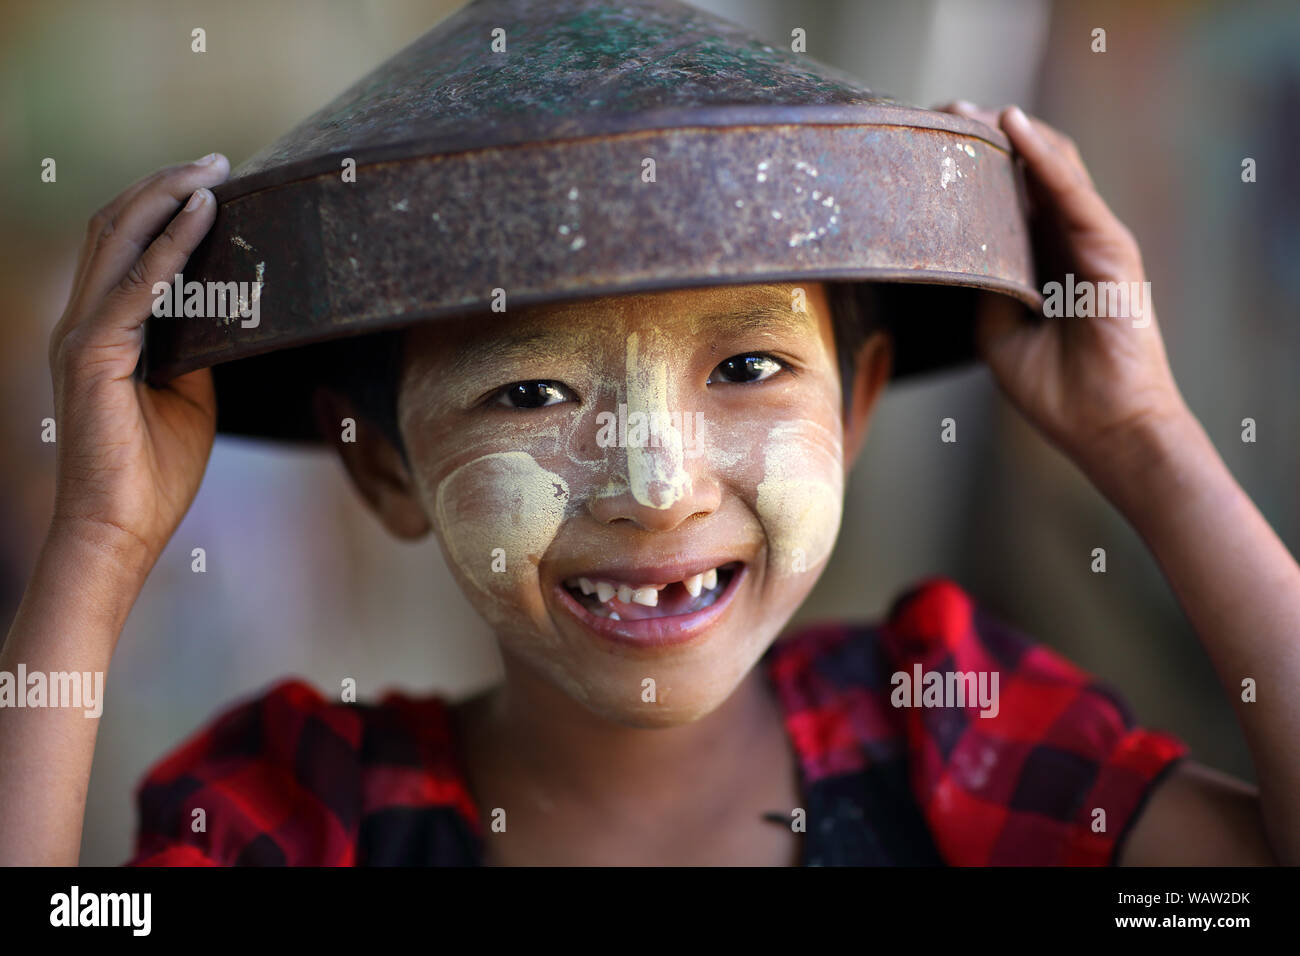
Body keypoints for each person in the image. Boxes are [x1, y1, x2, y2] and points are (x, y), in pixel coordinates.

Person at [0, 103, 1293, 866]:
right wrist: (101, 543)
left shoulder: (944, 728)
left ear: (851, 412)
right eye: (529, 394)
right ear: (382, 464)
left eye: (745, 366)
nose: (657, 489)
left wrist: (1144, 439)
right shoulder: (300, 813)